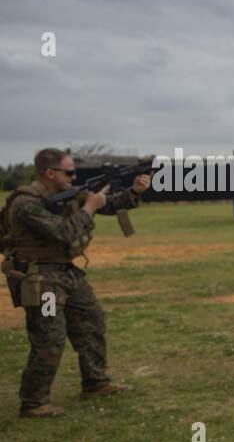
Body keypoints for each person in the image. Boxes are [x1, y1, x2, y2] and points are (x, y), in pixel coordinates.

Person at [1, 148, 148, 418]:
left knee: (92, 320)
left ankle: (96, 382)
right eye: (68, 172)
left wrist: (136, 191)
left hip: (67, 274)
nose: (73, 177)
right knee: (49, 337)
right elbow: (63, 232)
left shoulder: (69, 195)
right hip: (40, 281)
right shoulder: (26, 203)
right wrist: (90, 207)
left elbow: (111, 204)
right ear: (49, 173)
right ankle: (33, 401)